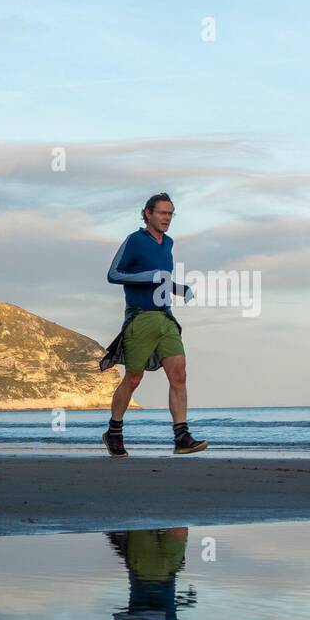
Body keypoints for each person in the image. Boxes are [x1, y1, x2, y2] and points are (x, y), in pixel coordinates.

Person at [99, 193, 209, 456]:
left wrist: (179, 288)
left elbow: (162, 278)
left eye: (171, 214)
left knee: (179, 375)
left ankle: (181, 437)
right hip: (140, 317)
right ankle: (114, 432)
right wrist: (148, 276)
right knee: (133, 378)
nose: (167, 218)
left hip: (165, 316)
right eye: (162, 213)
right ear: (148, 213)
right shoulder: (135, 240)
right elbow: (113, 274)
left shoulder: (168, 243)